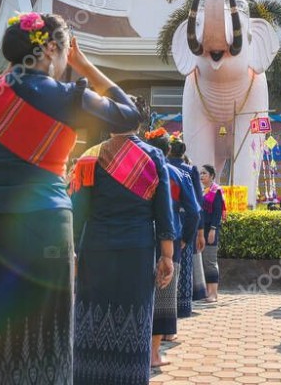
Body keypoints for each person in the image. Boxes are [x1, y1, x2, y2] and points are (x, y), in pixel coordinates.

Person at [0, 11, 140, 384]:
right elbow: (129, 117)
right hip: (43, 227)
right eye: (66, 52)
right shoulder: (69, 96)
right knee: (41, 329)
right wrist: (85, 66)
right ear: (52, 49)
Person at [70, 119, 176, 384]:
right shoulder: (154, 156)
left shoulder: (91, 156)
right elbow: (164, 212)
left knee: (91, 314)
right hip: (137, 251)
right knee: (134, 316)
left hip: (96, 249)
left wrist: (71, 252)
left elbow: (77, 211)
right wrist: (167, 256)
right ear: (138, 124)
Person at [147, 129, 201, 366]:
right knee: (165, 293)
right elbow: (194, 211)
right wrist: (185, 238)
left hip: (141, 238)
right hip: (172, 238)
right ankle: (154, 353)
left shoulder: (138, 169)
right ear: (167, 150)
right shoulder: (178, 174)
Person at [168, 135, 204, 319]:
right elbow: (198, 202)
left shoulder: (162, 167)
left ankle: (163, 305)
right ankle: (182, 306)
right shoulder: (189, 170)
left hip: (167, 218)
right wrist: (200, 231)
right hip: (187, 220)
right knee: (185, 263)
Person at [199, 164, 225, 303]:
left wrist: (213, 229)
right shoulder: (202, 191)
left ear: (212, 176)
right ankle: (207, 292)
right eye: (201, 173)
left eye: (204, 173)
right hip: (201, 230)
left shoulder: (216, 191)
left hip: (210, 230)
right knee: (203, 261)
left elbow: (217, 212)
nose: (201, 176)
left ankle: (213, 293)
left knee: (210, 261)